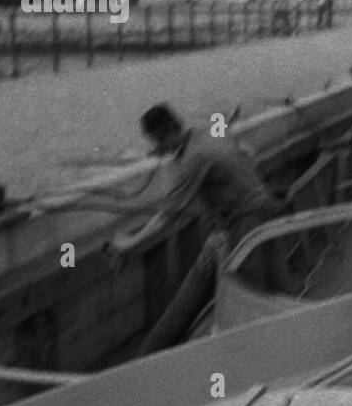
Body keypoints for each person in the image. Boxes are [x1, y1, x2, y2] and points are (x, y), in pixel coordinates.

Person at [106, 103, 288, 352]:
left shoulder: (193, 158)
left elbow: (166, 216)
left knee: (248, 292)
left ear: (165, 133)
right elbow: (245, 148)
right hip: (254, 214)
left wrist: (129, 243)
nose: (158, 149)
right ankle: (150, 352)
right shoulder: (209, 132)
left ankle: (257, 352)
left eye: (157, 142)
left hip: (246, 224)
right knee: (273, 283)